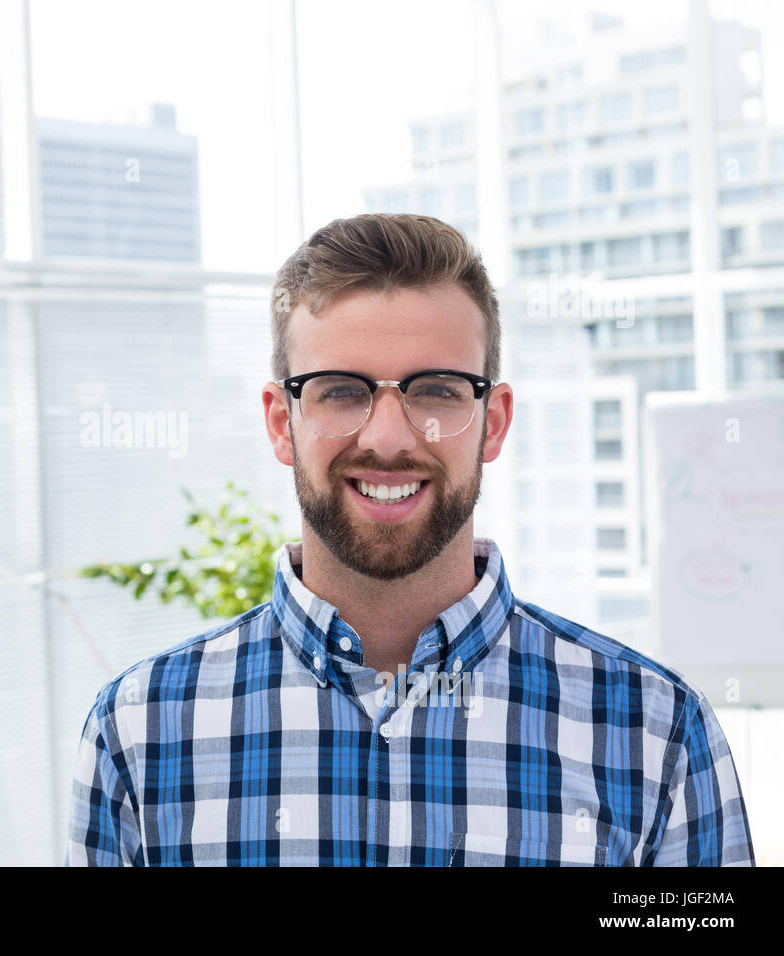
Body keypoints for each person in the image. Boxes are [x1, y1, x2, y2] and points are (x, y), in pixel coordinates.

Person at [64, 213, 755, 866]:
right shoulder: (140, 734)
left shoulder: (657, 737)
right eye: (340, 391)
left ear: (493, 421)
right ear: (282, 423)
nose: (389, 438)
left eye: (437, 390)